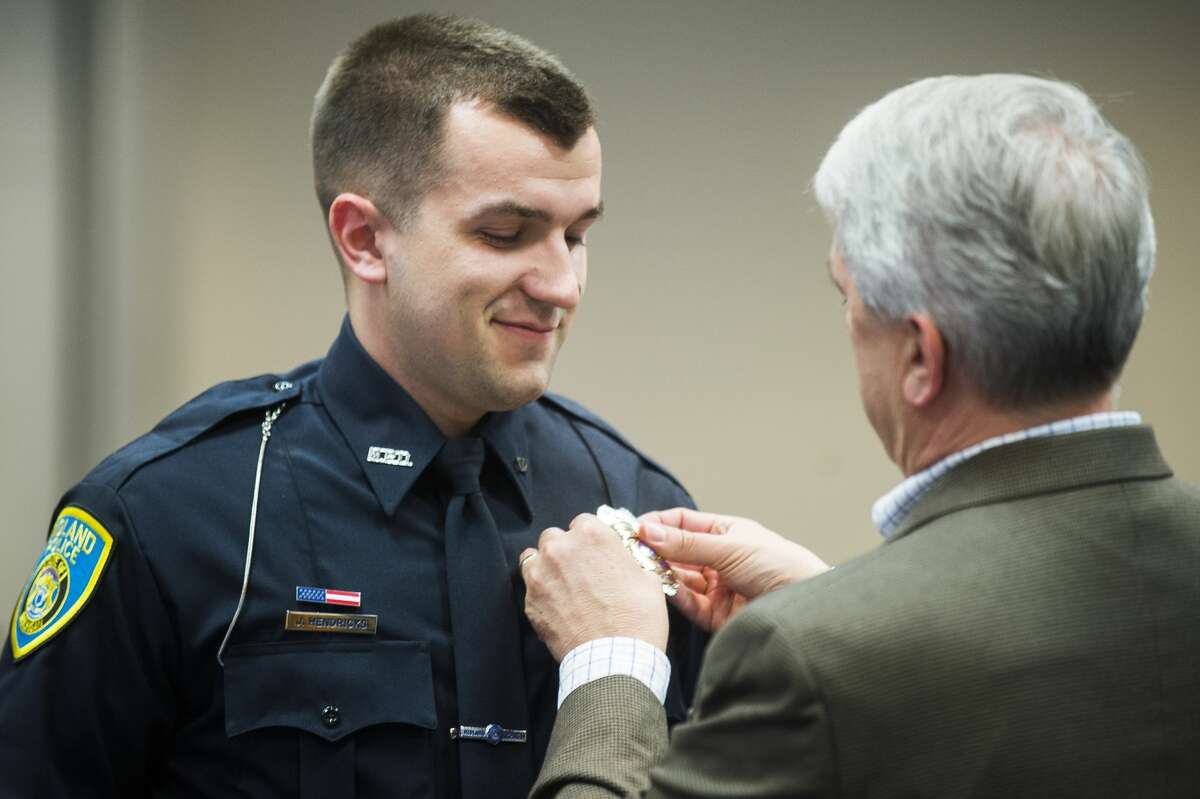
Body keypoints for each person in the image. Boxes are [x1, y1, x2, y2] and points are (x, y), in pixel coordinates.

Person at [0, 15, 707, 798]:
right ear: (365, 238)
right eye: (507, 233)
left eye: (576, 236)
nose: (562, 285)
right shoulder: (167, 517)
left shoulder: (637, 506)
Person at [521, 74, 1200, 797]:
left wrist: (613, 666)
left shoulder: (810, 655)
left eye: (848, 300)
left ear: (920, 356)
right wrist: (837, 606)